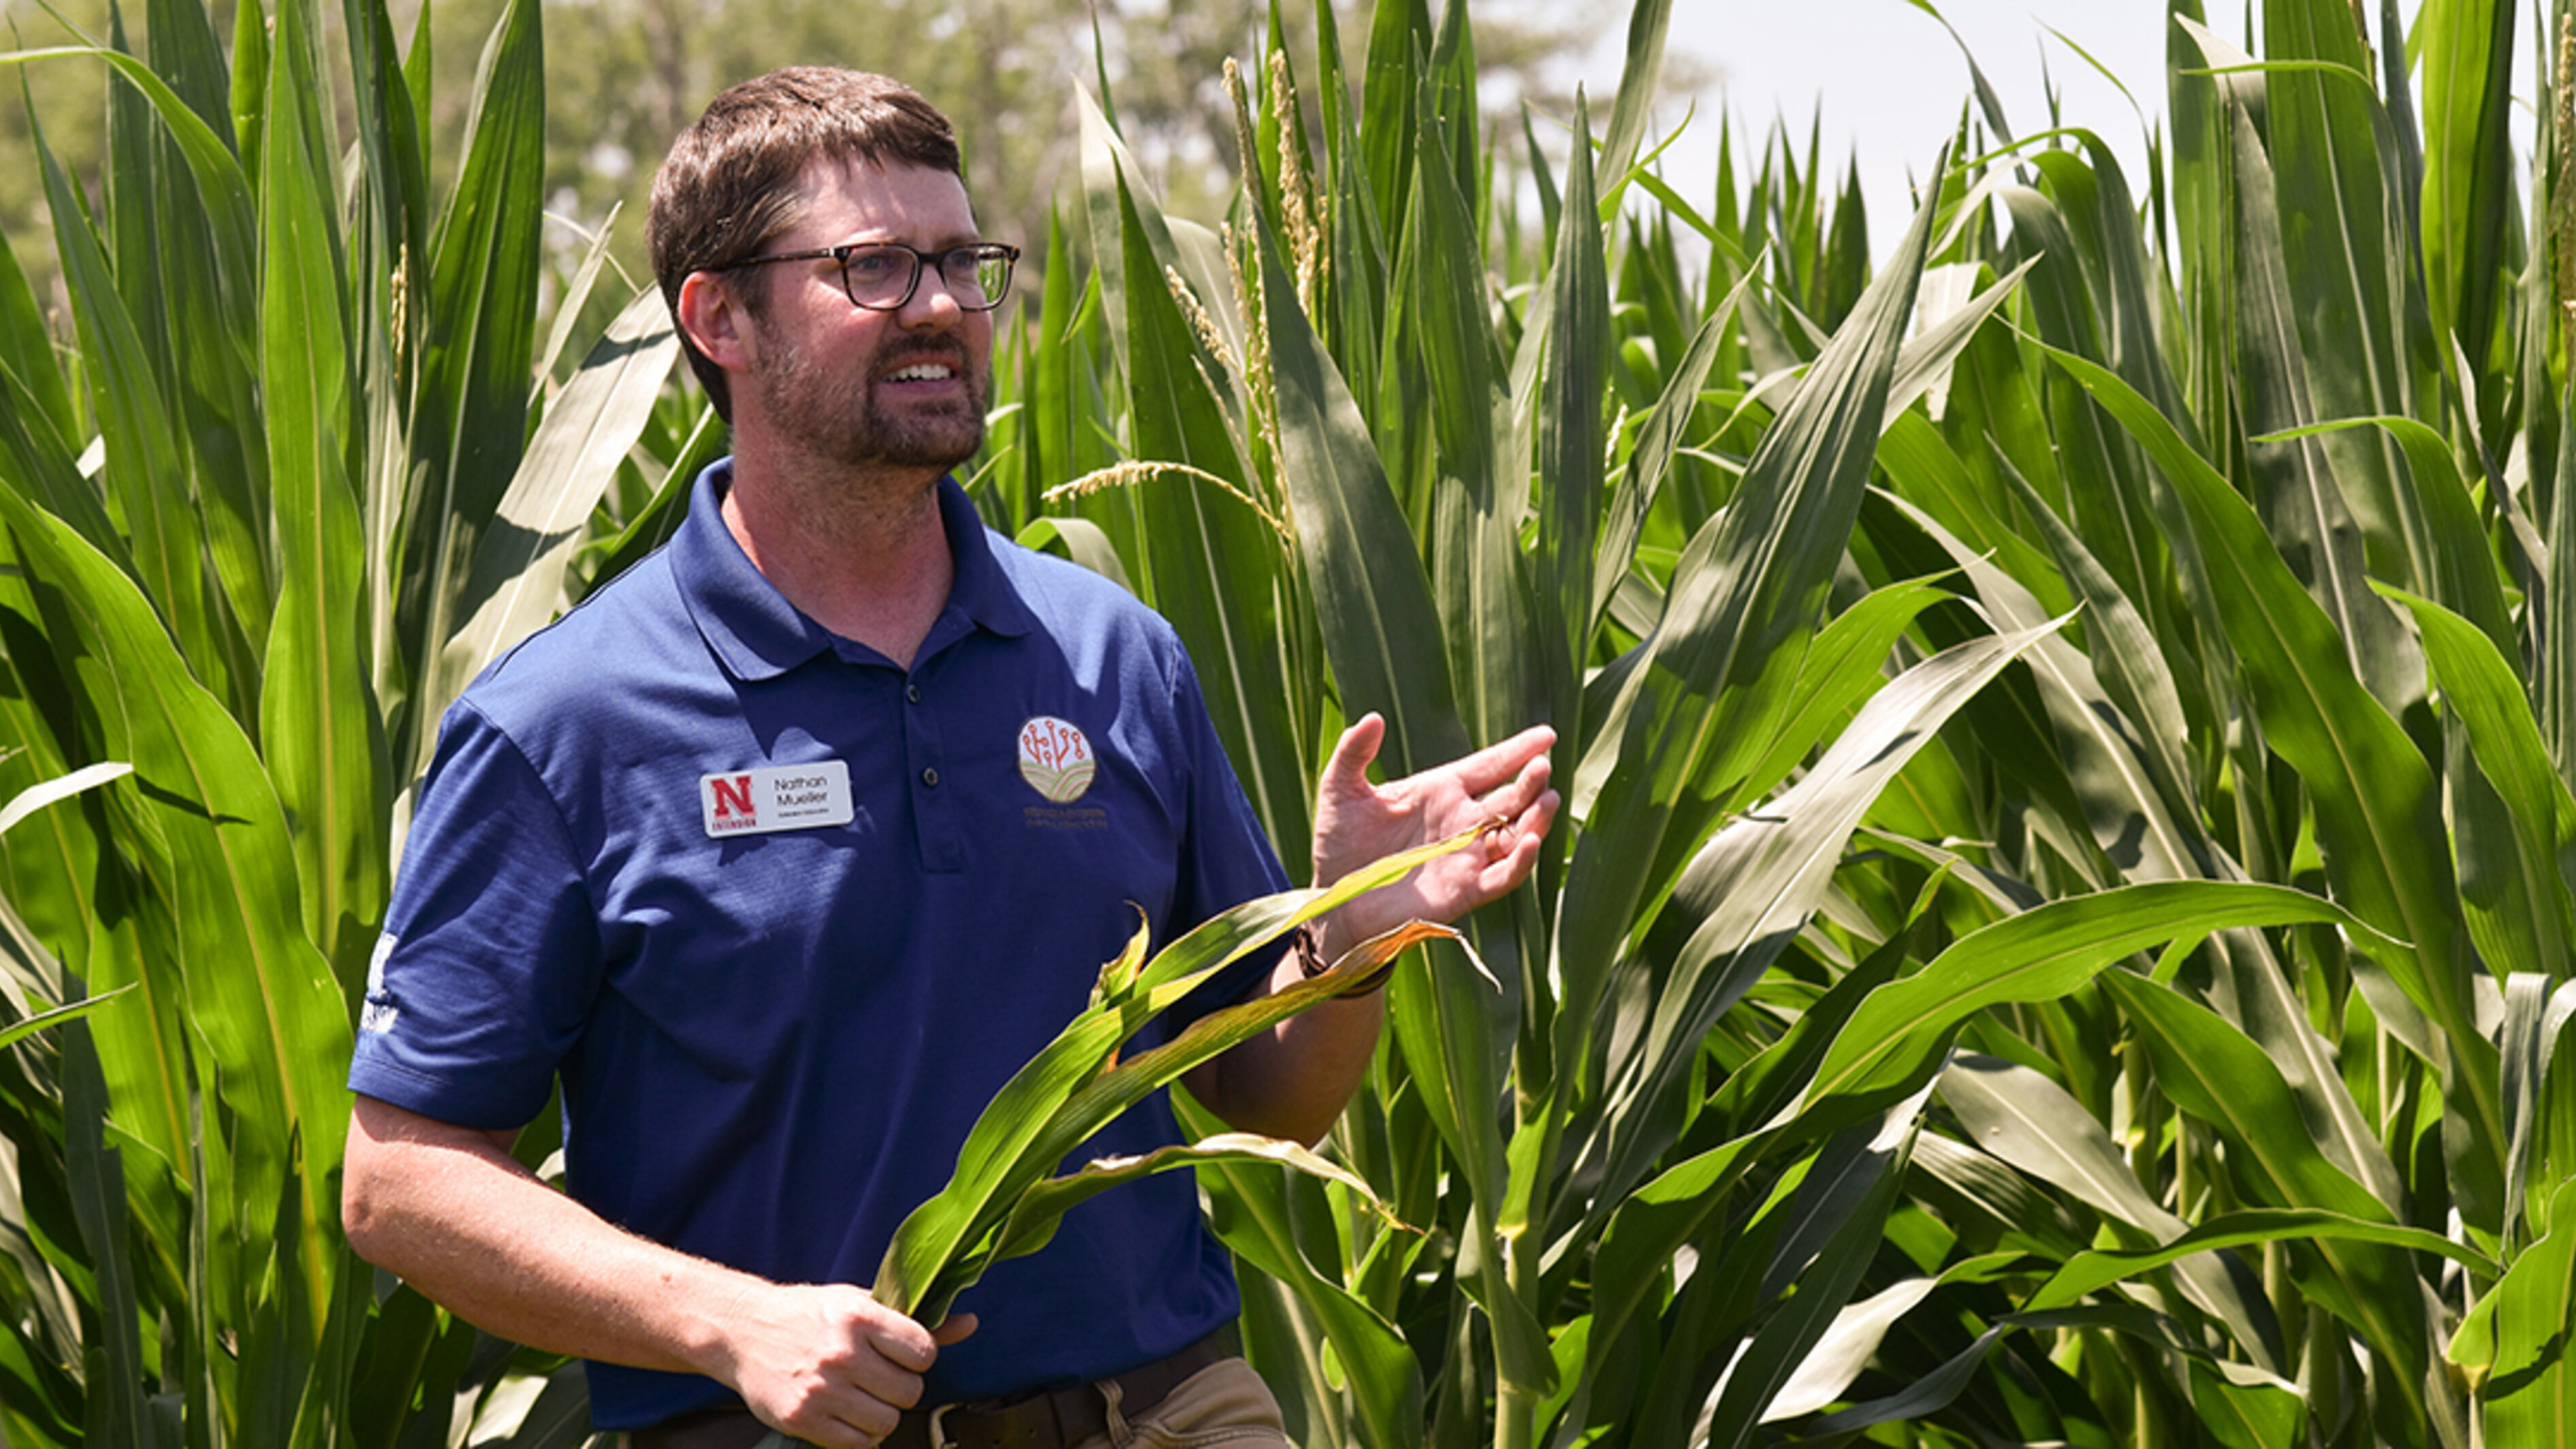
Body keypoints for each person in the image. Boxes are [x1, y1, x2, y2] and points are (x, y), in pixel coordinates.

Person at [340, 66, 1558, 1449]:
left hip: (1165, 1408)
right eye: (871, 265)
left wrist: (1354, 933)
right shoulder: (566, 720)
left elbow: (1267, 1099)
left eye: (961, 263)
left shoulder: (1112, 654)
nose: (939, 305)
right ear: (719, 316)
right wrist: (727, 1321)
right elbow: (401, 1180)